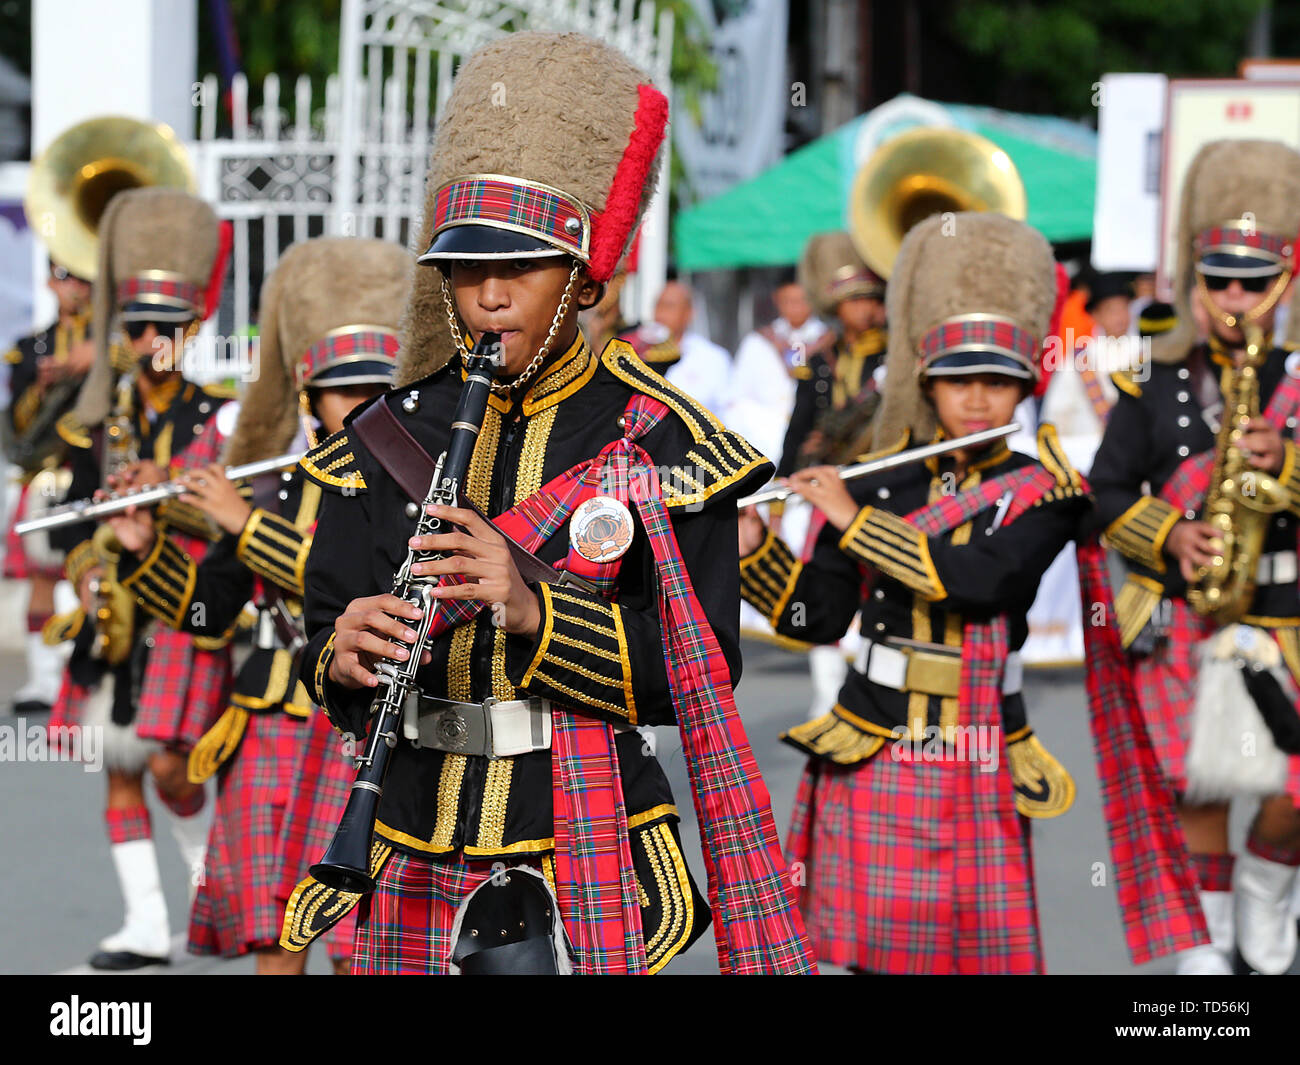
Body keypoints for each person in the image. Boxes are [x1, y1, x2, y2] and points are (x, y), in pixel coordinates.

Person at [294, 30, 814, 975]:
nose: (490, 297)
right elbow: (320, 646)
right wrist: (346, 650)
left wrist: (537, 606)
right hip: (406, 824)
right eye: (466, 271)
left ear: (581, 274)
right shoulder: (384, 434)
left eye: (522, 268)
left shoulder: (662, 439)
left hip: (579, 827)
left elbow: (698, 675)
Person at [738, 212, 1175, 974]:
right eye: (958, 380)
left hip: (977, 751)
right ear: (927, 383)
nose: (977, 400)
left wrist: (852, 518)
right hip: (868, 745)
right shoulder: (881, 477)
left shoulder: (1048, 492)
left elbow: (985, 582)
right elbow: (820, 616)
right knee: (864, 962)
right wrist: (752, 550)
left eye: (997, 382)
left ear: (1023, 387)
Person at [107, 236, 409, 973]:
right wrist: (143, 548)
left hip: (368, 723)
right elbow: (206, 611)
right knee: (275, 931)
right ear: (309, 398)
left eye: (377, 392)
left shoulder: (412, 490)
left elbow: (340, 589)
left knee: (358, 938)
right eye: (345, 393)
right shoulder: (274, 483)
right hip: (271, 722)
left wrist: (244, 525)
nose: (361, 410)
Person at [1090, 139, 1300, 976]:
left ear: (1284, 281)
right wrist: (1171, 534)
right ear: (1195, 284)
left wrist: (1282, 463)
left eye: (1254, 280)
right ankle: (1207, 947)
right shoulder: (1154, 382)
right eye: (1219, 280)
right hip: (1188, 611)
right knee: (1197, 787)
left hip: (1288, 617)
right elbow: (1105, 492)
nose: (1235, 297)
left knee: (1292, 793)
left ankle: (1266, 888)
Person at [44, 187, 234, 969]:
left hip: (182, 609)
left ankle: (211, 895)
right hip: (114, 615)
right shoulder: (97, 418)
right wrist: (87, 555)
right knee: (120, 772)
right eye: (136, 325)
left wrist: (168, 491)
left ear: (189, 331)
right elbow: (65, 515)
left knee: (171, 767)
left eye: (163, 325)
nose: (148, 337)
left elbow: (234, 515)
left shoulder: (219, 417)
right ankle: (147, 926)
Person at [2, 259, 95, 715]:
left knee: (93, 572)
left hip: (93, 473)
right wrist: (41, 389)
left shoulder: (110, 343)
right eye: (65, 278)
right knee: (41, 578)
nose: (74, 288)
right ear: (49, 284)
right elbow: (18, 427)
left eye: (82, 279)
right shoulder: (28, 348)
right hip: (46, 474)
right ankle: (42, 680)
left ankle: (84, 674)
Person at [777, 232, 887, 477]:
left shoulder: (893, 357)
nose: (865, 308)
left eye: (871, 298)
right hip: (828, 477)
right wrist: (780, 496)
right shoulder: (820, 362)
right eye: (855, 299)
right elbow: (798, 430)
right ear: (837, 306)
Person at [724, 271, 830, 465]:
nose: (795, 307)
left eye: (801, 300)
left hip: (812, 444)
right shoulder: (757, 343)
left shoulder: (828, 343)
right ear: (777, 300)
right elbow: (736, 398)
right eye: (788, 301)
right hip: (762, 441)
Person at [619, 281, 732, 416]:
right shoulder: (635, 347)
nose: (660, 313)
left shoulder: (713, 358)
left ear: (689, 313)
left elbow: (726, 409)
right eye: (658, 305)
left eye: (669, 306)